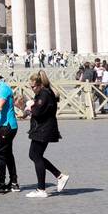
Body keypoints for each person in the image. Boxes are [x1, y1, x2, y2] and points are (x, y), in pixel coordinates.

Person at [23, 70, 69, 198]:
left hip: (44, 129)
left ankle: (41, 189)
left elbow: (38, 111)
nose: (31, 89)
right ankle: (59, 176)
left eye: (32, 87)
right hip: (43, 128)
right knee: (35, 155)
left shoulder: (44, 94)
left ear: (39, 84)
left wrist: (29, 106)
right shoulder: (44, 92)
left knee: (35, 156)